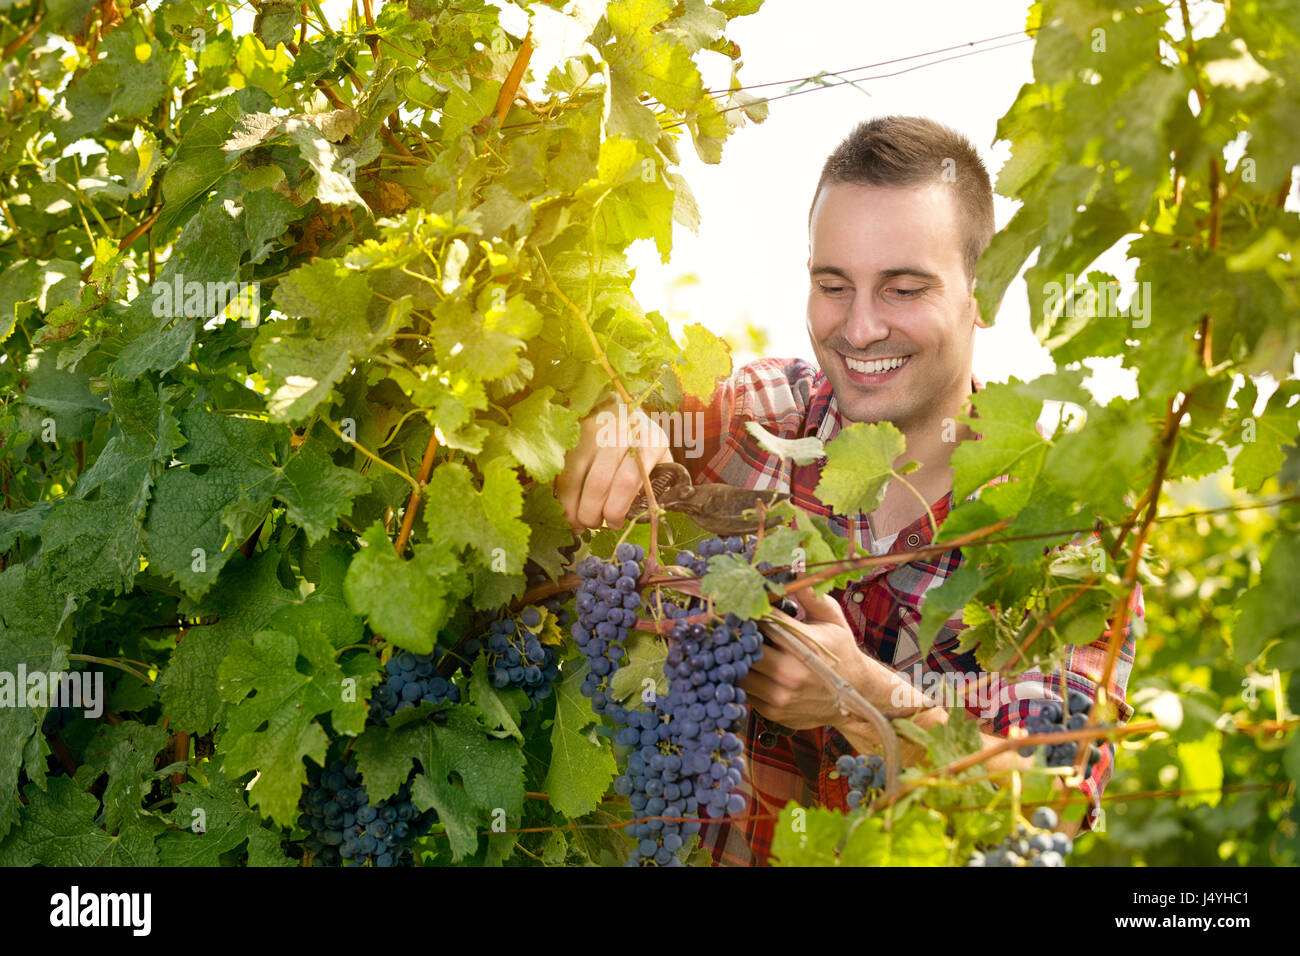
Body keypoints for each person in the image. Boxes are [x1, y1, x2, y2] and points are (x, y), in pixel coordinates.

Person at [555, 115, 1139, 866]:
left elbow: (1051, 797)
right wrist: (611, 420)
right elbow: (587, 407)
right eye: (833, 286)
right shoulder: (748, 419)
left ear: (983, 291)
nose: (859, 328)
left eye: (902, 288)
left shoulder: (1065, 535)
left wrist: (868, 700)